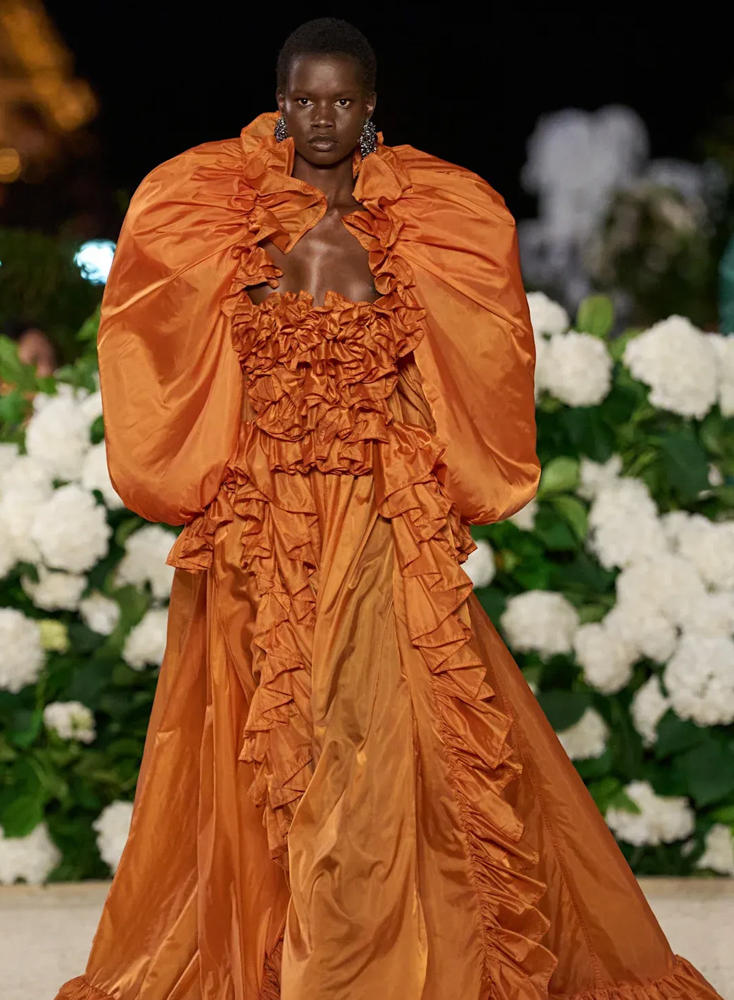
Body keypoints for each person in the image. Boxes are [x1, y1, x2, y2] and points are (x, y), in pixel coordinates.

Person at [54, 18, 725, 1000]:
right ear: (279, 102)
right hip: (262, 525)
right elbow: (160, 351)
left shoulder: (427, 217)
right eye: (303, 98)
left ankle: (365, 968)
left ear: (370, 109)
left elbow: (471, 361)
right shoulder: (212, 209)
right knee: (269, 752)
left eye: (339, 99)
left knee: (366, 740)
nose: (320, 115)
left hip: (371, 515)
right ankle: (292, 959)